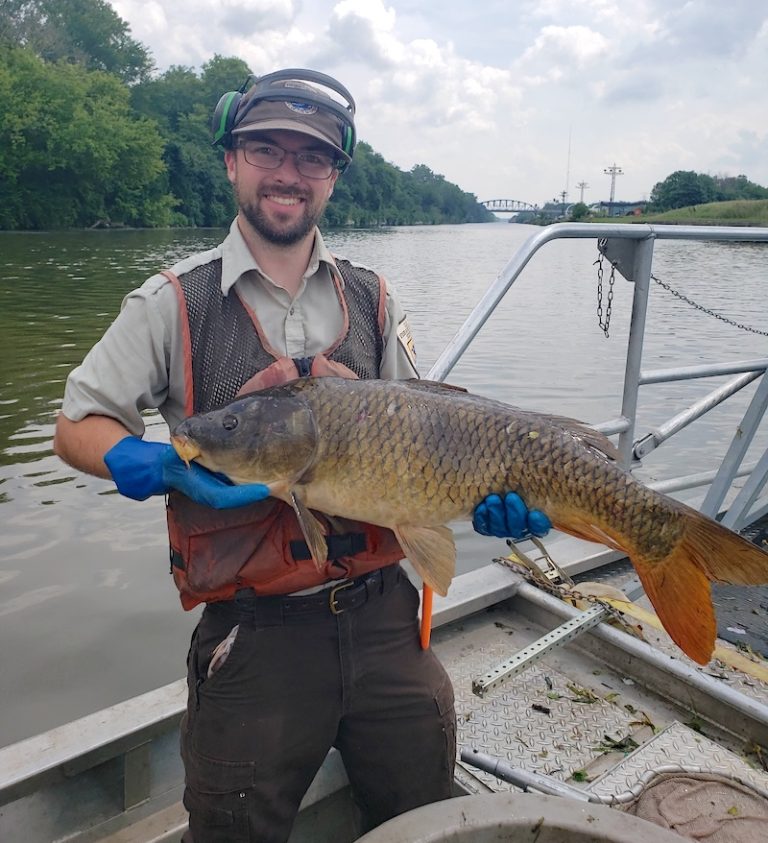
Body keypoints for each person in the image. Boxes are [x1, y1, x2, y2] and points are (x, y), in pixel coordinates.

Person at [53, 68, 551, 842]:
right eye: (266, 150)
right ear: (231, 160)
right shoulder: (172, 301)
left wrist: (486, 497)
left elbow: (431, 430)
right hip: (254, 637)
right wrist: (147, 461)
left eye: (311, 156)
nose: (288, 173)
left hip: (385, 618)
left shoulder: (374, 296)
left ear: (333, 176)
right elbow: (75, 425)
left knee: (427, 816)